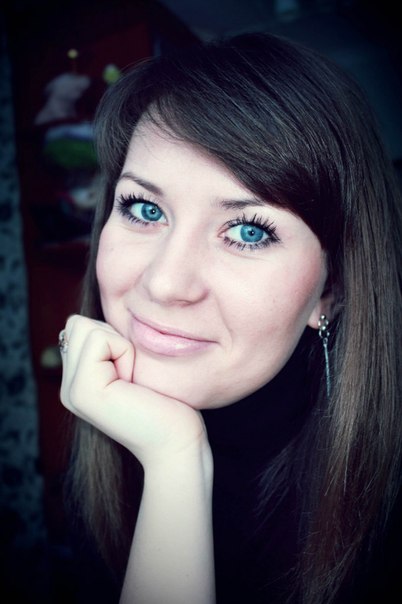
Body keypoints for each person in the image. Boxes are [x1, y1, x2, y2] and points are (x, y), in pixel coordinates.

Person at [59, 32, 402, 604]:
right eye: (144, 208)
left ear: (332, 290)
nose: (165, 283)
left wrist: (175, 462)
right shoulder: (111, 425)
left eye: (247, 232)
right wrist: (172, 457)